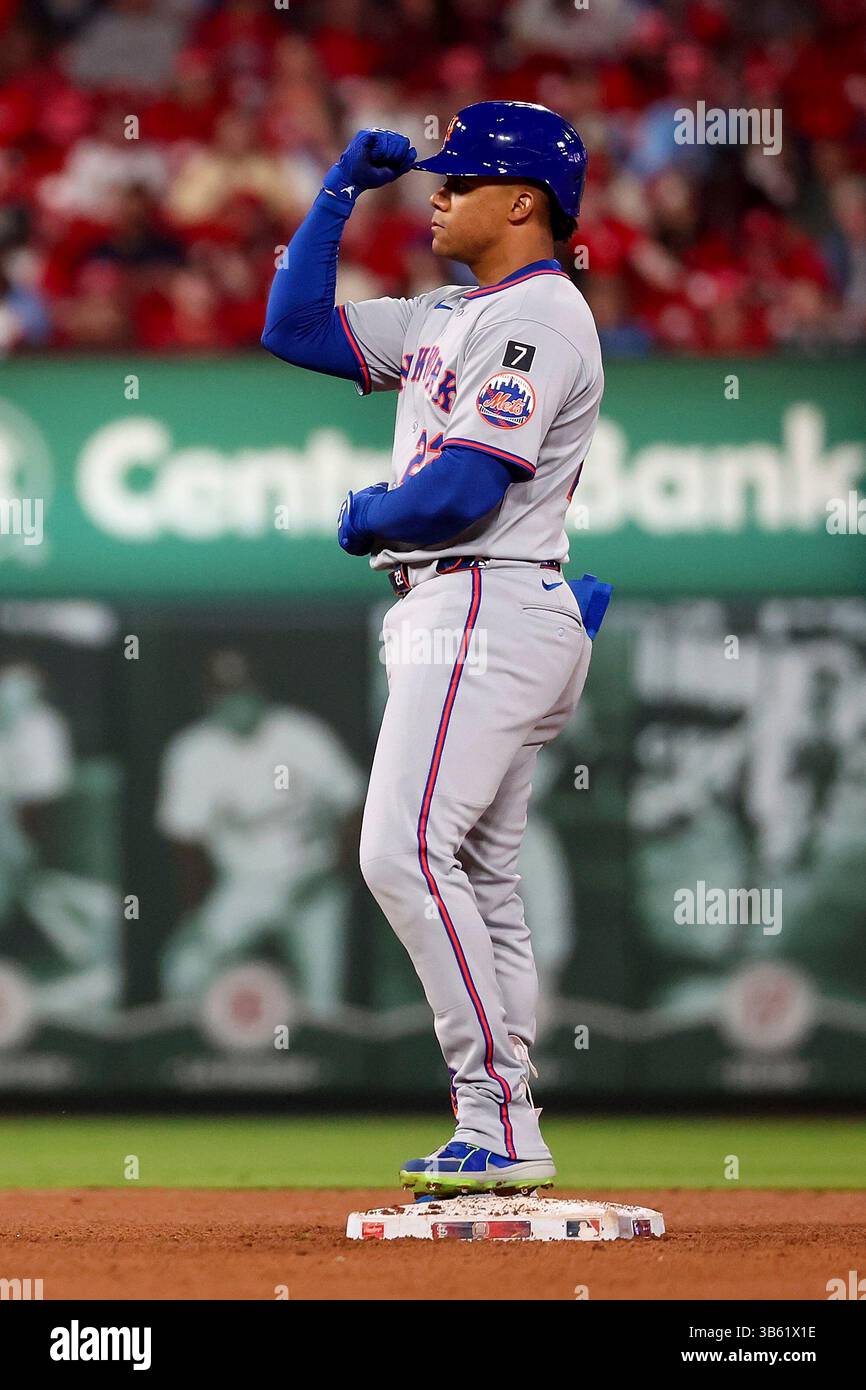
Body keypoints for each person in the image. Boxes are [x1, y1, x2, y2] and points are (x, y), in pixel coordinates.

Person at [262, 102, 603, 1196]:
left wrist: (372, 512)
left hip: (477, 600)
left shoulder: (539, 316)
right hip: (485, 606)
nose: (436, 193)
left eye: (459, 179)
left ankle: (489, 1111)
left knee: (399, 851)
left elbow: (460, 491)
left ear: (523, 203)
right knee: (483, 880)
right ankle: (514, 1127)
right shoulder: (452, 313)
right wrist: (334, 194)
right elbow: (295, 329)